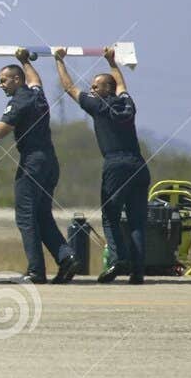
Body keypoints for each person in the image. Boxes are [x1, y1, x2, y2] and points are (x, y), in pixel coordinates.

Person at [0, 50, 77, 283]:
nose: (0, 85)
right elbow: (36, 79)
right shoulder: (37, 94)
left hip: (33, 162)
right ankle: (66, 257)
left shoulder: (19, 101)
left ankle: (36, 271)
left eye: (3, 80)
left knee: (26, 217)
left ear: (16, 79)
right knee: (42, 214)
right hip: (50, 161)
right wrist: (24, 60)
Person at [55, 46, 149, 283]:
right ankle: (137, 273)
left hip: (116, 164)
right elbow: (123, 86)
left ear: (106, 89)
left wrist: (59, 60)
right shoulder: (128, 105)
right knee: (137, 221)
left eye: (96, 86)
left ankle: (119, 260)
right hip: (139, 164)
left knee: (110, 216)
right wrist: (112, 62)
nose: (92, 89)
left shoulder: (97, 105)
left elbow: (69, 88)